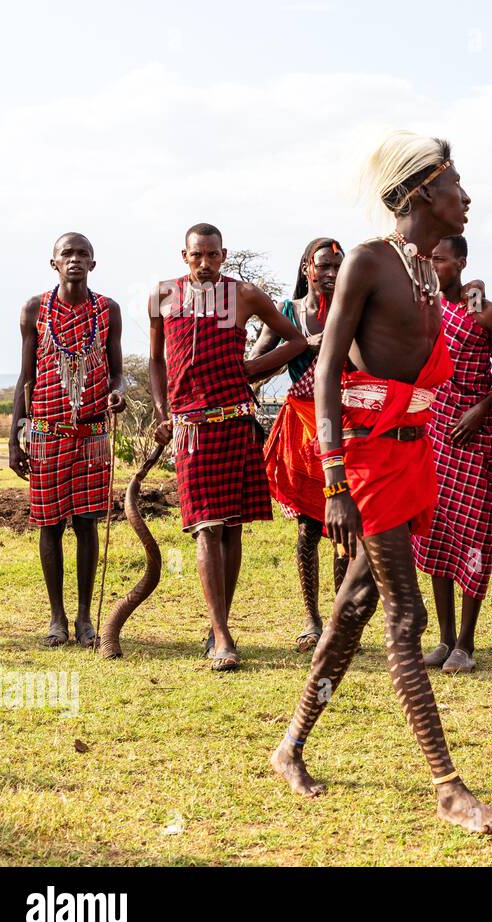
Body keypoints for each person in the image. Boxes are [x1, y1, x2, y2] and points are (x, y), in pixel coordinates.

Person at [271, 131, 492, 835]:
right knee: (406, 617)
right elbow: (323, 370)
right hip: (370, 464)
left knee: (353, 611)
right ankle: (448, 787)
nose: (465, 195)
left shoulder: (423, 272)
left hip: (414, 454)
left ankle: (289, 746)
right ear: (417, 194)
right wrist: (336, 480)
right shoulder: (369, 261)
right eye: (454, 182)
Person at [149, 223, 306, 671]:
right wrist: (162, 412)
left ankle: (221, 626)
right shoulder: (163, 295)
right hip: (191, 428)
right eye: (196, 256)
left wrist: (250, 370)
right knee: (206, 528)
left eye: (212, 255)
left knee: (232, 527)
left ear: (224, 255)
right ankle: (221, 635)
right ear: (184, 256)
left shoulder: (245, 295)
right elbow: (157, 359)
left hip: (236, 422)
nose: (204, 264)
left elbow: (295, 340)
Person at [10, 232, 124, 648]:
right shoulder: (34, 310)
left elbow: (117, 370)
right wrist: (13, 439)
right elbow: (26, 376)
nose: (74, 260)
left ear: (93, 263)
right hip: (44, 431)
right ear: (53, 262)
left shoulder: (107, 310)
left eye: (83, 254)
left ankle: (84, 619)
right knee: (50, 524)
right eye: (67, 254)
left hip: (92, 431)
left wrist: (119, 391)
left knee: (87, 523)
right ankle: (56, 618)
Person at [412, 235, 492, 675]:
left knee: (474, 533)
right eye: (429, 260)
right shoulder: (424, 308)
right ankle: (445, 637)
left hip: (474, 431)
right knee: (434, 533)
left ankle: (466, 641)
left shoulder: (483, 311)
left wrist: (483, 408)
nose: (434, 267)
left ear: (462, 262)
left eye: (441, 260)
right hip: (432, 428)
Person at [255, 237, 349, 653]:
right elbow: (256, 363)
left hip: (344, 426)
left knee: (345, 525)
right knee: (310, 526)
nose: (329, 273)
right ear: (305, 267)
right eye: (323, 266)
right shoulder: (287, 313)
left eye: (336, 267)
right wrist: (301, 345)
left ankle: (340, 620)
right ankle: (312, 619)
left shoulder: (353, 309)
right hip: (302, 428)